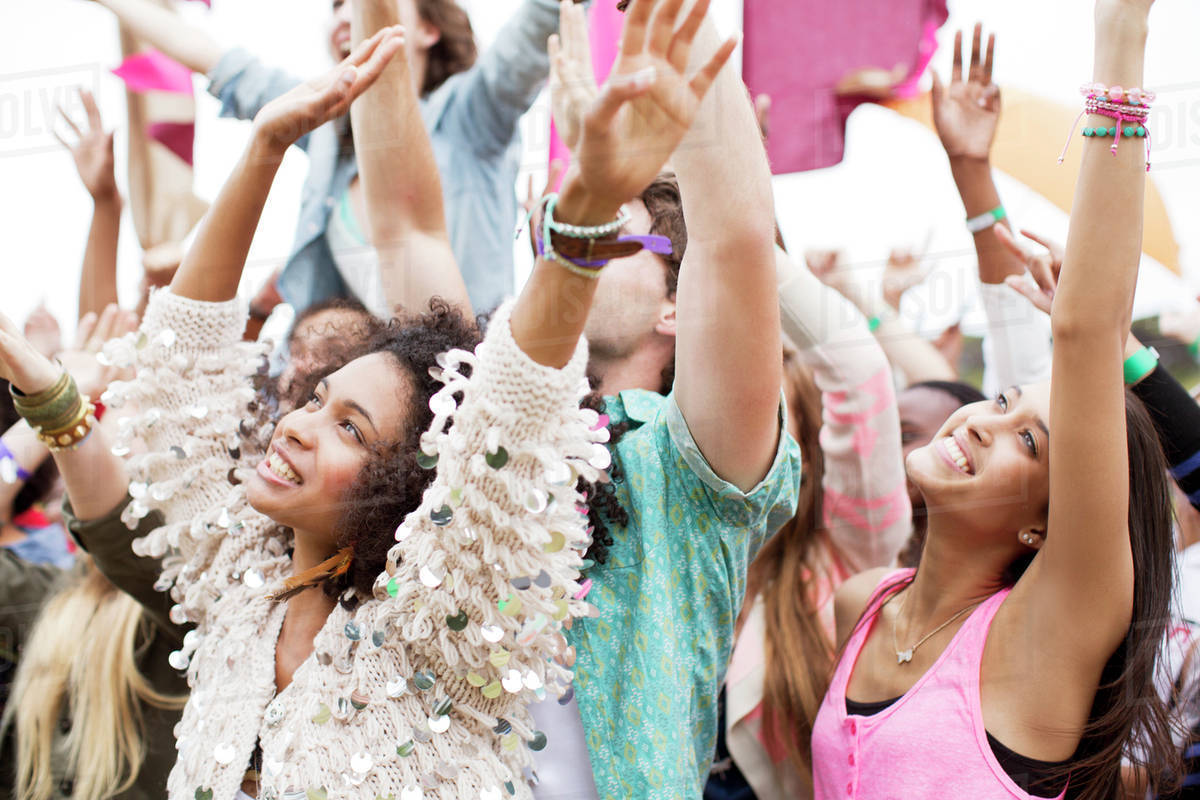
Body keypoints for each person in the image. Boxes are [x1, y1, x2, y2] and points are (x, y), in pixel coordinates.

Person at [0, 7, 746, 799]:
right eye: (316, 400)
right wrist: (262, 151)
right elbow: (178, 379)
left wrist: (587, 212)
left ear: (412, 491)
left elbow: (511, 414)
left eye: (349, 427)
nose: (295, 426)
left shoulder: (436, 629)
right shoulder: (239, 585)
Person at [812, 3, 1181, 798]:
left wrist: (1120, 32)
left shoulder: (1048, 633)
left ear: (1046, 524)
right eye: (1005, 400)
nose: (982, 421)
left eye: (1030, 442)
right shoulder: (861, 603)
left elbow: (1084, 331)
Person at [541, 2, 801, 796]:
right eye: (562, 222)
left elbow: (736, 237)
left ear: (678, 306)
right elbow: (404, 232)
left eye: (606, 227)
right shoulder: (485, 422)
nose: (572, 240)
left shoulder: (687, 464)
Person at [88, 0, 585, 316]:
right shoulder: (325, 130)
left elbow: (542, 17)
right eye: (337, 4)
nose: (345, 14)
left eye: (363, 3)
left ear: (429, 30)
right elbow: (213, 59)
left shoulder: (473, 114)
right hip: (350, 414)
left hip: (457, 395)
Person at [708, 248, 911, 799]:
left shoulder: (846, 556)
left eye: (764, 413)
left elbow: (857, 370)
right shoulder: (682, 552)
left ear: (808, 455)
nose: (737, 429)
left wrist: (738, 236)